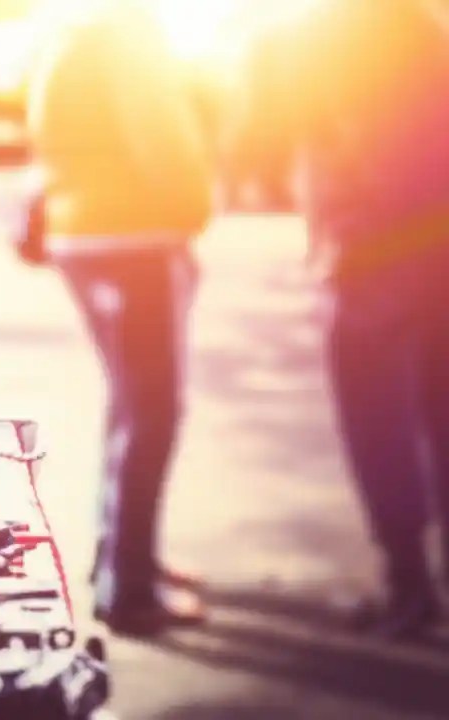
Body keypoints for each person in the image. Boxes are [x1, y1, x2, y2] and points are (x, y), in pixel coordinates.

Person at [233, 0, 449, 639]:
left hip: (369, 254)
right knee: (443, 417)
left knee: (377, 425)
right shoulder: (421, 28)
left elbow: (255, 147)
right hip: (441, 249)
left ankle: (408, 588)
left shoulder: (315, 36)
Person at [26, 0, 217, 636]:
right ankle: (130, 587)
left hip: (85, 233)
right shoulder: (129, 34)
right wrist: (194, 212)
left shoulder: (72, 32)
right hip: (134, 236)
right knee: (152, 411)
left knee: (133, 406)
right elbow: (163, 137)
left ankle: (123, 560)